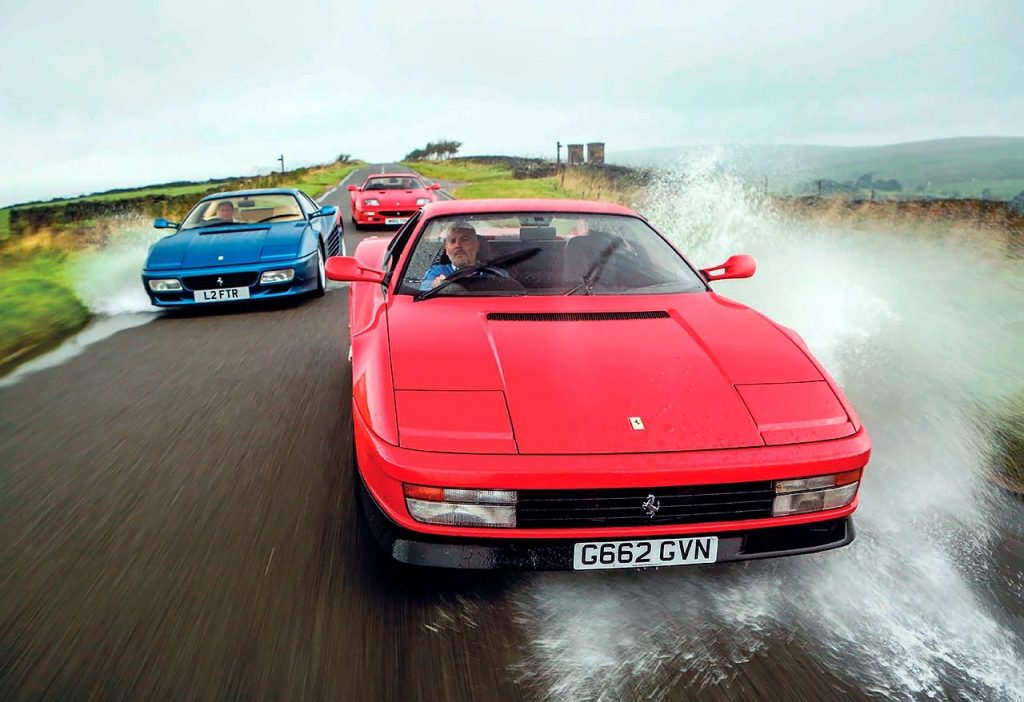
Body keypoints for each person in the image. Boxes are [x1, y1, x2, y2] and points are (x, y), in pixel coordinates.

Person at [420, 222, 507, 290]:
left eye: (464, 239)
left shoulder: (495, 274)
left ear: (476, 246)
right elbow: (423, 288)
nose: (457, 245)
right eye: (452, 240)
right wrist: (434, 286)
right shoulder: (436, 272)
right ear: (446, 249)